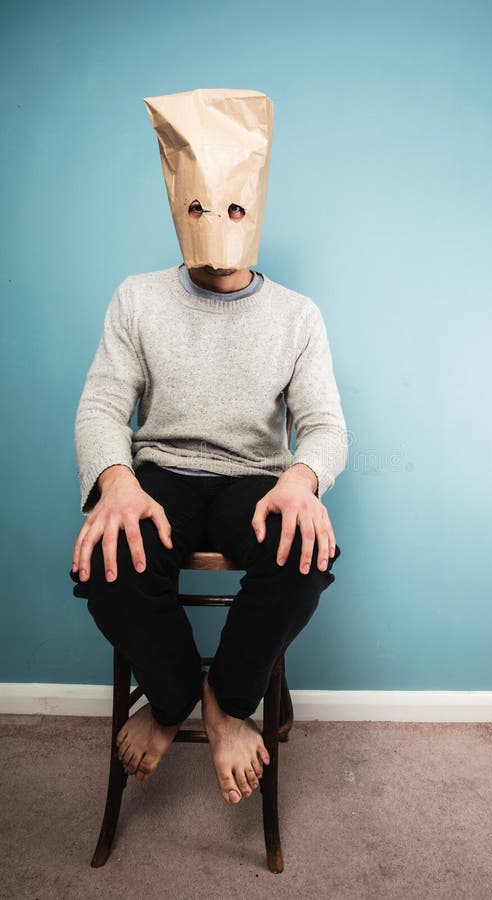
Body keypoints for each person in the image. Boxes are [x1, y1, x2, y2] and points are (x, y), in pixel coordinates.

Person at [69, 88, 347, 806]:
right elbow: (102, 403)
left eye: (231, 207)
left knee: (305, 548)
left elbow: (323, 424)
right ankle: (174, 700)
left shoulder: (297, 315)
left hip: (255, 479)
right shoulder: (137, 298)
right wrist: (117, 484)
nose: (217, 220)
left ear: (253, 211)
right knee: (107, 556)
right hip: (159, 472)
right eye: (200, 207)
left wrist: (301, 481)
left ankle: (227, 702)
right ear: (179, 207)